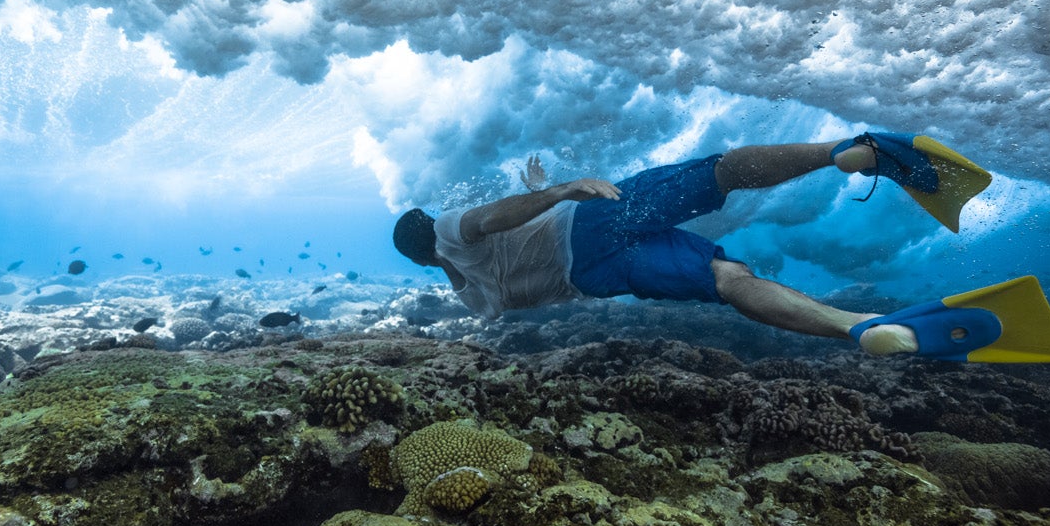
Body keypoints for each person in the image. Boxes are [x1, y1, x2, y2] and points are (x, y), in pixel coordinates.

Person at [392, 139, 939, 357]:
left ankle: (856, 324)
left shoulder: (474, 301)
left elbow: (502, 246)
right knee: (719, 174)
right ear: (431, 230)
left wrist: (537, 196)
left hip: (604, 275)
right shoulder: (450, 228)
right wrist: (557, 190)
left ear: (419, 262)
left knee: (729, 279)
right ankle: (845, 152)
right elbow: (489, 218)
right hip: (593, 217)